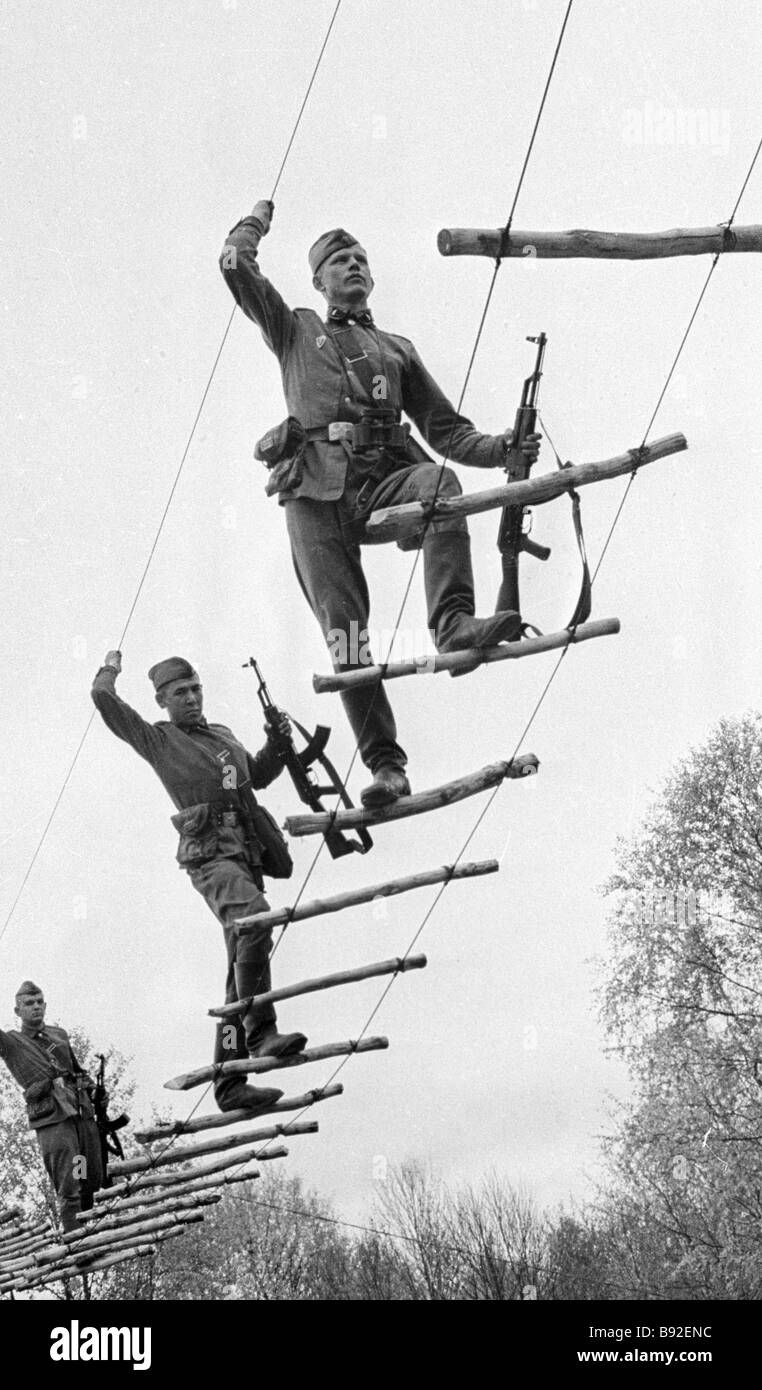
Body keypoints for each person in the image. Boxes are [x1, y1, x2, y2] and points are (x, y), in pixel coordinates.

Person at [218, 201, 541, 810]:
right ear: (319, 280)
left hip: (381, 484)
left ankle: (453, 626)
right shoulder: (294, 329)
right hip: (313, 495)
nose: (354, 266)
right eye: (340, 261)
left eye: (362, 259)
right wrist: (254, 223)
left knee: (439, 481)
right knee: (346, 635)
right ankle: (387, 767)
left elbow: (446, 431)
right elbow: (234, 266)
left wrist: (503, 447)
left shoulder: (396, 348)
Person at [90, 652, 307, 1114]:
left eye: (195, 690)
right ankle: (262, 1032)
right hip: (210, 858)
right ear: (162, 700)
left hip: (244, 854)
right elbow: (103, 700)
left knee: (239, 971)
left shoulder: (222, 736)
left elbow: (256, 778)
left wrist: (276, 742)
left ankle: (230, 1083)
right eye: (179, 694)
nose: (190, 699)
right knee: (254, 921)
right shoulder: (158, 740)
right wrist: (110, 666)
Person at [0, 983, 104, 1232]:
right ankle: (75, 1242)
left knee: (87, 1176)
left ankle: (87, 1233)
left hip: (80, 1113)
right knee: (69, 1182)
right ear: (17, 1011)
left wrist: (95, 1091)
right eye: (29, 1003)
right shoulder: (13, 1043)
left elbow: (77, 1070)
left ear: (45, 1005)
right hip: (54, 1120)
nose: (35, 1006)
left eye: (39, 1002)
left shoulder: (59, 1035)